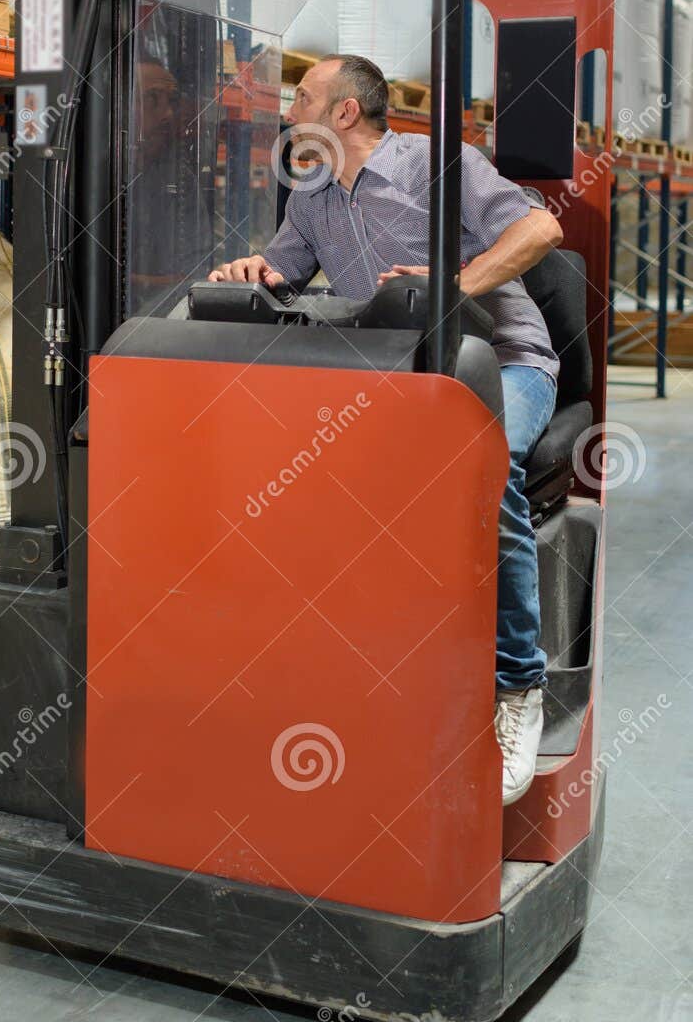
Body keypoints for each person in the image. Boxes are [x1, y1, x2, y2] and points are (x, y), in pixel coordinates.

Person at [208, 54, 563, 805]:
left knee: (482, 472)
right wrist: (252, 275)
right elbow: (284, 275)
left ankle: (517, 687)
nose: (285, 109)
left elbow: (541, 228)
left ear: (342, 114)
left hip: (502, 361)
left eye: (300, 96)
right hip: (403, 375)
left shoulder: (440, 164)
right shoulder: (311, 196)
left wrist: (449, 290)